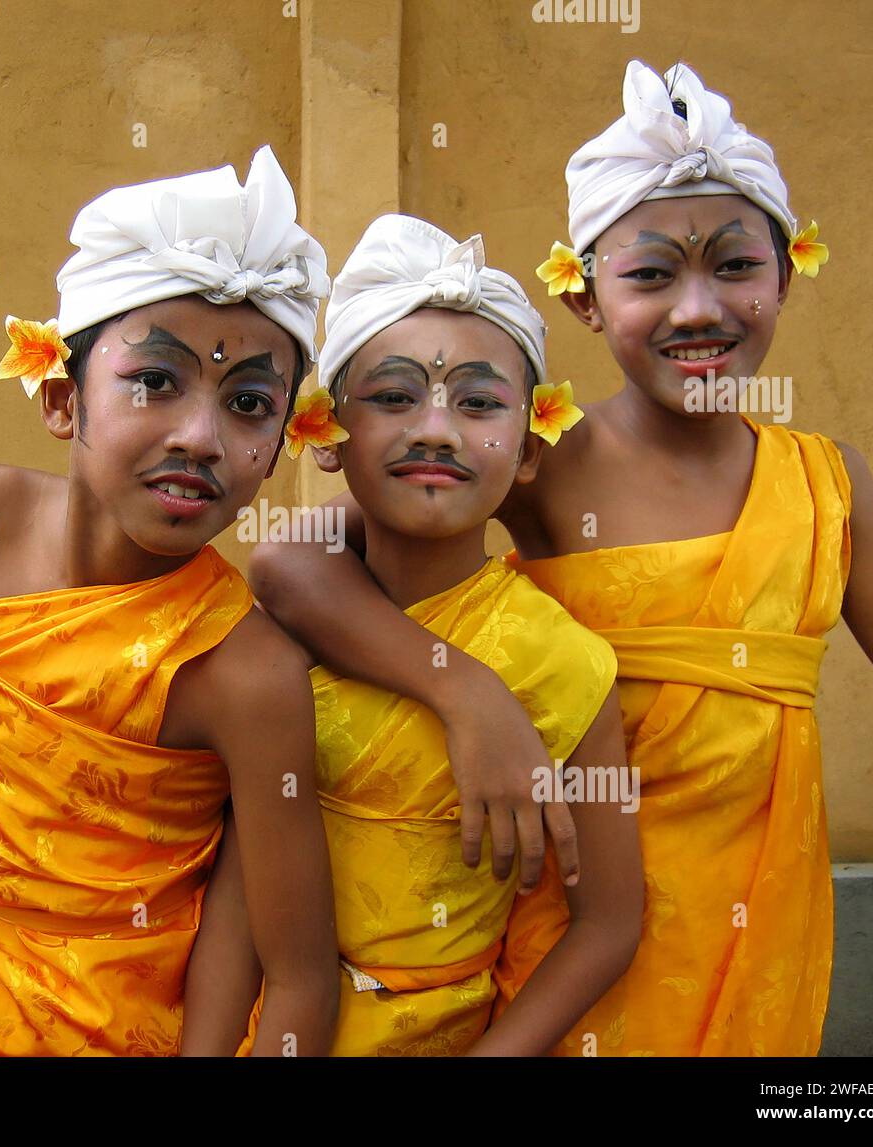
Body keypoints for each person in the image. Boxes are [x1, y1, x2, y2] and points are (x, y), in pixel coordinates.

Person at [247, 62, 873, 1055]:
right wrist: (466, 692)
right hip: (562, 927)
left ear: (787, 274)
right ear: (583, 296)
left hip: (757, 918)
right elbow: (288, 566)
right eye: (650, 275)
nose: (695, 309)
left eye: (735, 268)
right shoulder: (537, 461)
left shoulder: (832, 484)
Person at [0, 146, 339, 1057]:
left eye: (250, 403)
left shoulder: (247, 672)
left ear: (284, 439)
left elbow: (296, 971)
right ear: (61, 397)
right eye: (155, 381)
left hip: (119, 1029)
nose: (201, 437)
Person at [189, 215, 642, 1056]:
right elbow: (236, 888)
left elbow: (609, 921)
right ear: (325, 431)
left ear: (532, 447)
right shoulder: (276, 639)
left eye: (478, 403)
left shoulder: (564, 661)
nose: (435, 428)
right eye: (394, 397)